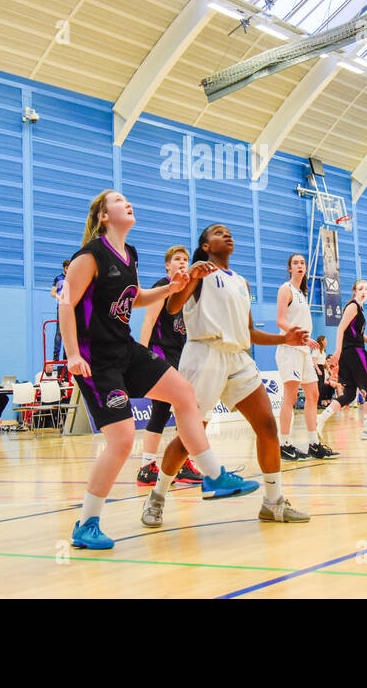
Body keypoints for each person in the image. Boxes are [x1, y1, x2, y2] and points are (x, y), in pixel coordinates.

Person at [61, 191, 254, 550]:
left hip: (125, 349)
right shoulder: (89, 256)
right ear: (104, 216)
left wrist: (171, 288)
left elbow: (133, 299)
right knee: (120, 441)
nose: (127, 203)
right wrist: (73, 353)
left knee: (185, 394)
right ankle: (86, 524)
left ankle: (213, 476)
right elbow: (66, 304)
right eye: (118, 201)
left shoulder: (129, 254)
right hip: (96, 360)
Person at [143, 223, 313, 528]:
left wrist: (284, 339)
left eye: (228, 232)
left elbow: (248, 333)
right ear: (206, 245)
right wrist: (191, 277)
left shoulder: (241, 282)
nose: (227, 235)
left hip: (237, 358)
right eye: (219, 232)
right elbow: (172, 308)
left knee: (267, 426)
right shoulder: (199, 273)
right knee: (188, 439)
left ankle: (273, 503)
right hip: (203, 355)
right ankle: (156, 497)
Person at [135, 245, 203, 487]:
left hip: (182, 355)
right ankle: (146, 466)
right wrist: (141, 356)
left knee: (187, 409)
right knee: (162, 410)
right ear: (168, 265)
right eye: (177, 259)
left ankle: (182, 463)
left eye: (185, 259)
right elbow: (149, 321)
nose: (182, 262)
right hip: (160, 354)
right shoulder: (161, 287)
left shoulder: (188, 290)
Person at [275, 252, 337, 461]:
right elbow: (280, 321)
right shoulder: (286, 289)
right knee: (291, 397)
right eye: (295, 263)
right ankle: (283, 444)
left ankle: (313, 443)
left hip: (303, 351)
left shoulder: (302, 293)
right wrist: (302, 337)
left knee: (313, 395)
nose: (300, 265)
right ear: (289, 268)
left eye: (302, 262)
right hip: (289, 348)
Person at [316, 280, 367, 440]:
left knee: (349, 395)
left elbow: (358, 334)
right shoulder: (353, 306)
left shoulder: (359, 309)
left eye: (366, 288)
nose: (363, 291)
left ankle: (321, 418)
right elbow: (340, 328)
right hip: (354, 353)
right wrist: (338, 351)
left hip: (350, 354)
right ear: (354, 291)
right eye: (360, 288)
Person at [50, 259, 69, 360]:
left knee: (68, 332)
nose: (68, 270)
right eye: (67, 268)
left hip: (70, 308)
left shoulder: (72, 278)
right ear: (64, 268)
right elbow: (52, 293)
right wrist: (60, 298)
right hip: (61, 307)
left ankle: (66, 355)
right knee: (59, 331)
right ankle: (56, 354)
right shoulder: (58, 278)